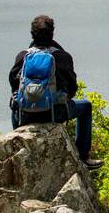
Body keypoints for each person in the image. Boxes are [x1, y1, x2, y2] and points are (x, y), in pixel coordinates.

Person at [8, 14, 102, 168]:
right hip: (53, 114)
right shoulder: (62, 56)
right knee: (86, 107)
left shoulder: (23, 56)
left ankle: (18, 140)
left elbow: (13, 84)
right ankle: (83, 157)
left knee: (15, 100)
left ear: (32, 34)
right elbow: (72, 89)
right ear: (52, 33)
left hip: (24, 116)